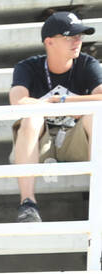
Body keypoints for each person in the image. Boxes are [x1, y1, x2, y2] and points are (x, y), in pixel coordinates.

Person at [9, 11, 102, 223]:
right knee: (32, 117)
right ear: (49, 42)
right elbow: (18, 101)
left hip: (75, 142)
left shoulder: (87, 64)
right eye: (70, 36)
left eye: (80, 36)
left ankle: (100, 204)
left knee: (97, 118)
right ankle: (28, 203)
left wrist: (61, 102)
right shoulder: (28, 66)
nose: (77, 41)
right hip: (38, 145)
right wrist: (46, 106)